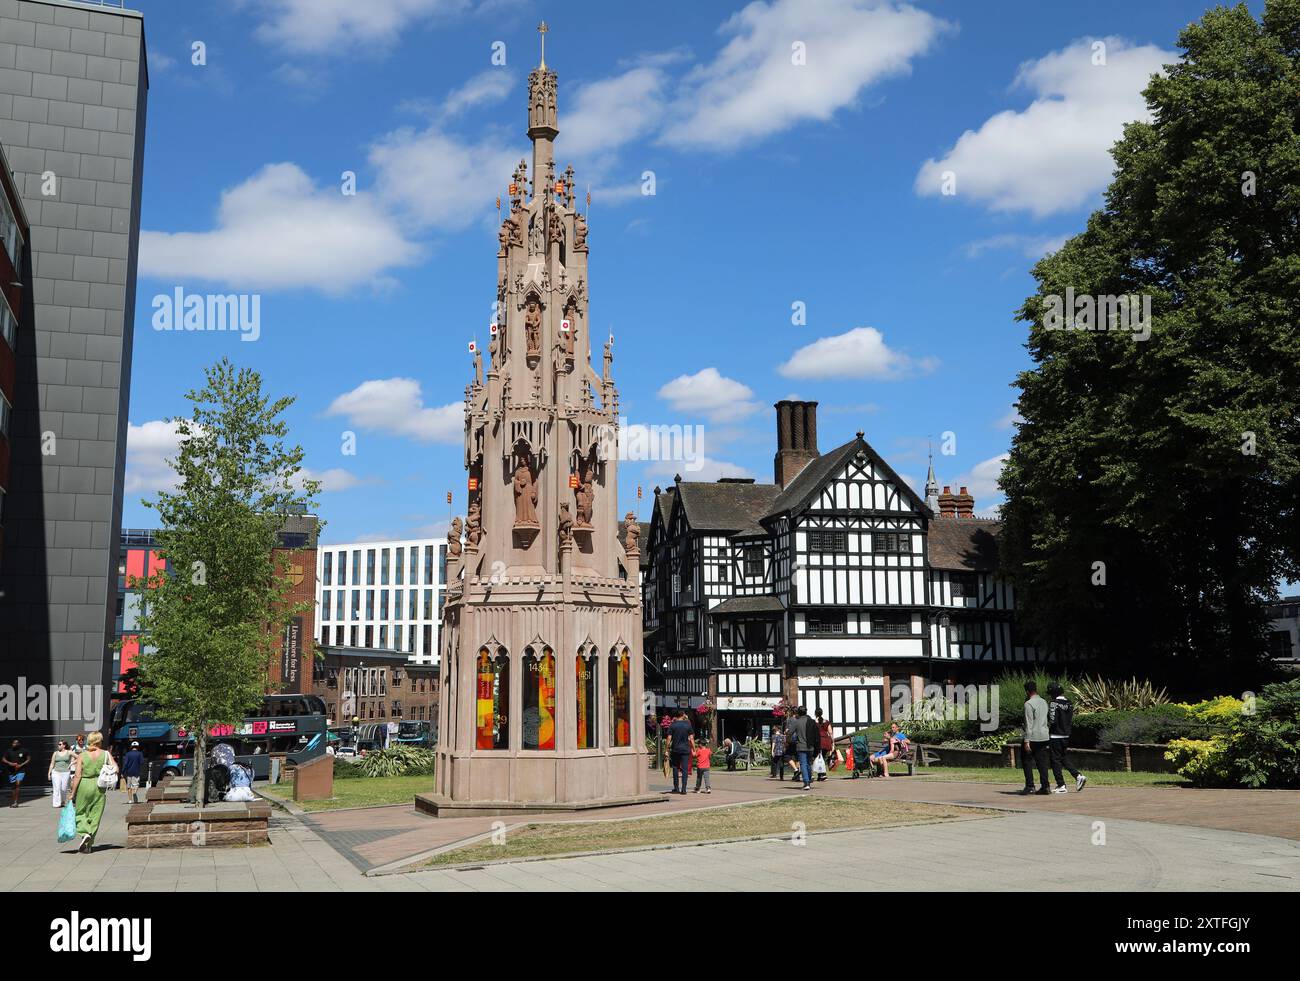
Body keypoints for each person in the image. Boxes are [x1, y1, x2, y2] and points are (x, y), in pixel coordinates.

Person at [70, 731, 117, 852]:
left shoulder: (82, 755)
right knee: (95, 815)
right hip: (100, 786)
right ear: (99, 741)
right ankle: (89, 845)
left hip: (85, 784)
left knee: (80, 812)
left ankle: (85, 832)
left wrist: (72, 792)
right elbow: (116, 768)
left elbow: (77, 775)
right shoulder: (105, 754)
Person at [1047, 682, 1087, 793]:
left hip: (1055, 735)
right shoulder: (1069, 703)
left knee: (1055, 760)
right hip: (1066, 735)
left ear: (1053, 693)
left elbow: (1052, 720)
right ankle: (1078, 776)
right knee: (1063, 757)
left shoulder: (1053, 703)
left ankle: (1061, 785)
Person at [1020, 680, 1051, 795]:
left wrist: (1026, 740)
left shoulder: (1028, 704)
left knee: (1026, 760)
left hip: (1033, 736)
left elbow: (1029, 723)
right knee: (1042, 762)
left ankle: (1030, 786)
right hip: (1044, 735)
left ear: (1027, 691)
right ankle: (1045, 786)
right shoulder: (1044, 701)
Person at [667, 710, 694, 795]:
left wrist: (666, 749)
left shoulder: (673, 725)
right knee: (685, 769)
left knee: (675, 768)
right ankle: (684, 789)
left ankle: (676, 787)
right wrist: (694, 749)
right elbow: (691, 738)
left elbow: (669, 738)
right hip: (685, 749)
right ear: (682, 715)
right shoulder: (687, 725)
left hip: (675, 749)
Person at [793, 706, 819, 791]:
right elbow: (816, 735)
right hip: (810, 746)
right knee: (808, 763)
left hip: (801, 746)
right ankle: (809, 777)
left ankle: (806, 782)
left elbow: (790, 732)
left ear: (798, 713)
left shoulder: (797, 722)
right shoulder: (812, 721)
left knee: (803, 764)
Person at [48, 740, 75, 809]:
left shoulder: (69, 752)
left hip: (65, 772)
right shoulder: (55, 753)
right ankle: (56, 804)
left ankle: (62, 801)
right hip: (56, 772)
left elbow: (79, 757)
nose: (58, 745)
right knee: (57, 787)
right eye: (58, 744)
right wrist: (49, 773)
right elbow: (52, 763)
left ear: (64, 745)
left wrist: (72, 763)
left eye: (60, 744)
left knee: (63, 788)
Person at [4, 739, 30, 807]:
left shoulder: (24, 751)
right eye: (13, 743)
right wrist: (10, 763)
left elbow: (28, 759)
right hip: (11, 771)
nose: (13, 744)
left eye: (15, 743)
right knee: (13, 786)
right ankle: (14, 802)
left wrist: (21, 765)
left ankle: (16, 802)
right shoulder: (9, 751)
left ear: (18, 744)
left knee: (18, 784)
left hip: (21, 770)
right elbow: (3, 759)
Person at [814, 709, 833, 781]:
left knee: (819, 758)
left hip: (818, 741)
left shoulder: (814, 722)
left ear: (815, 714)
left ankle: (823, 774)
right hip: (826, 741)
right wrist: (833, 742)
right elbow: (830, 732)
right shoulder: (826, 722)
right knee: (822, 758)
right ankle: (821, 775)